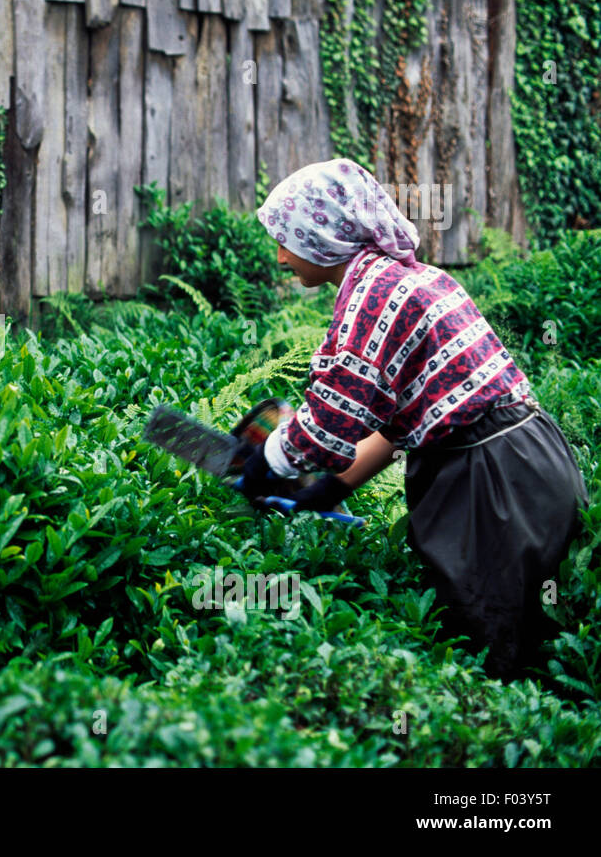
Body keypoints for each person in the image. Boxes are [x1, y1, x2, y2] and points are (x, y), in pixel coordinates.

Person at [239, 158, 588, 678]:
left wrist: (266, 460)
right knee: (534, 640)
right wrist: (329, 489)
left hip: (492, 484)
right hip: (525, 464)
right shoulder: (405, 277)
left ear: (322, 235)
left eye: (286, 240)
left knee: (489, 652)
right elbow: (404, 420)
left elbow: (328, 422)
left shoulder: (372, 298)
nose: (280, 257)